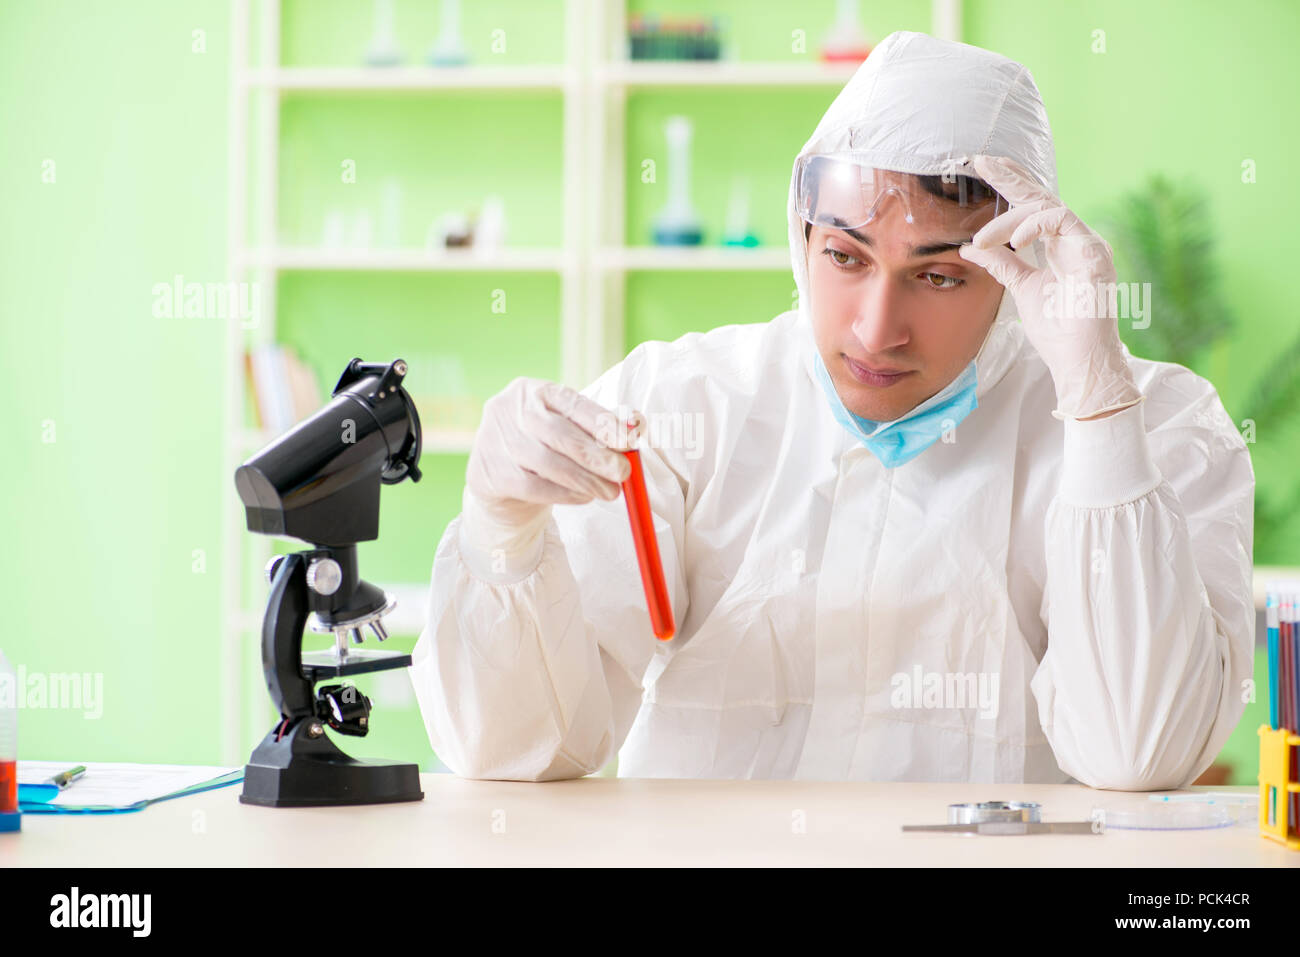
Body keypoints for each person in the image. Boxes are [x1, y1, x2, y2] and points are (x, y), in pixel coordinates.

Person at [409, 31, 1254, 788]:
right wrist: (503, 530)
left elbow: (1142, 752)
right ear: (801, 234)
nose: (875, 329)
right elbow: (525, 750)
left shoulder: (1159, 426)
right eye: (845, 256)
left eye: (938, 274)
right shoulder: (680, 403)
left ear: (1018, 263)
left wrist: (1101, 409)